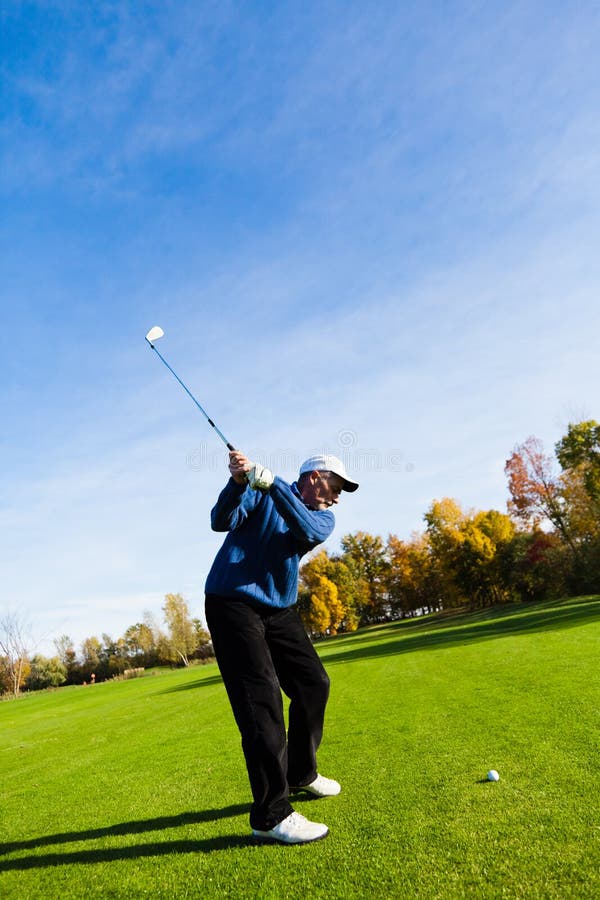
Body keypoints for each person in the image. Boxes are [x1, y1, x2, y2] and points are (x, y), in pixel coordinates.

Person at [204, 450, 359, 844]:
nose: (338, 496)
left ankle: (302, 773)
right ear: (314, 476)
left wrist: (270, 484)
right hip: (232, 603)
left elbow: (304, 528)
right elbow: (220, 522)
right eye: (337, 486)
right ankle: (271, 815)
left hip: (278, 608)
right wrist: (238, 484)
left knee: (313, 684)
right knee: (261, 701)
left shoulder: (322, 517)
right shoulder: (261, 491)